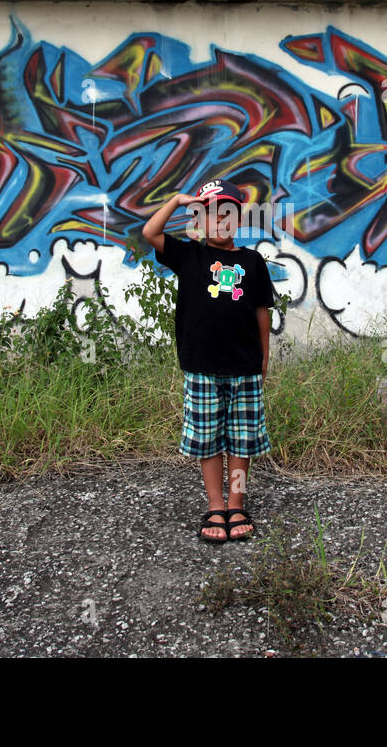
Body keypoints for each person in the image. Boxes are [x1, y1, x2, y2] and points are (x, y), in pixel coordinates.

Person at [139, 177, 275, 544]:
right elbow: (150, 232)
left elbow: (262, 311)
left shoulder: (252, 261)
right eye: (211, 214)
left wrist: (264, 356)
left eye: (227, 214)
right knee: (209, 441)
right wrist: (177, 200)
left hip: (244, 366)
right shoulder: (189, 256)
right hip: (201, 367)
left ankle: (236, 502)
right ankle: (215, 504)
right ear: (198, 220)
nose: (220, 221)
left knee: (242, 442)